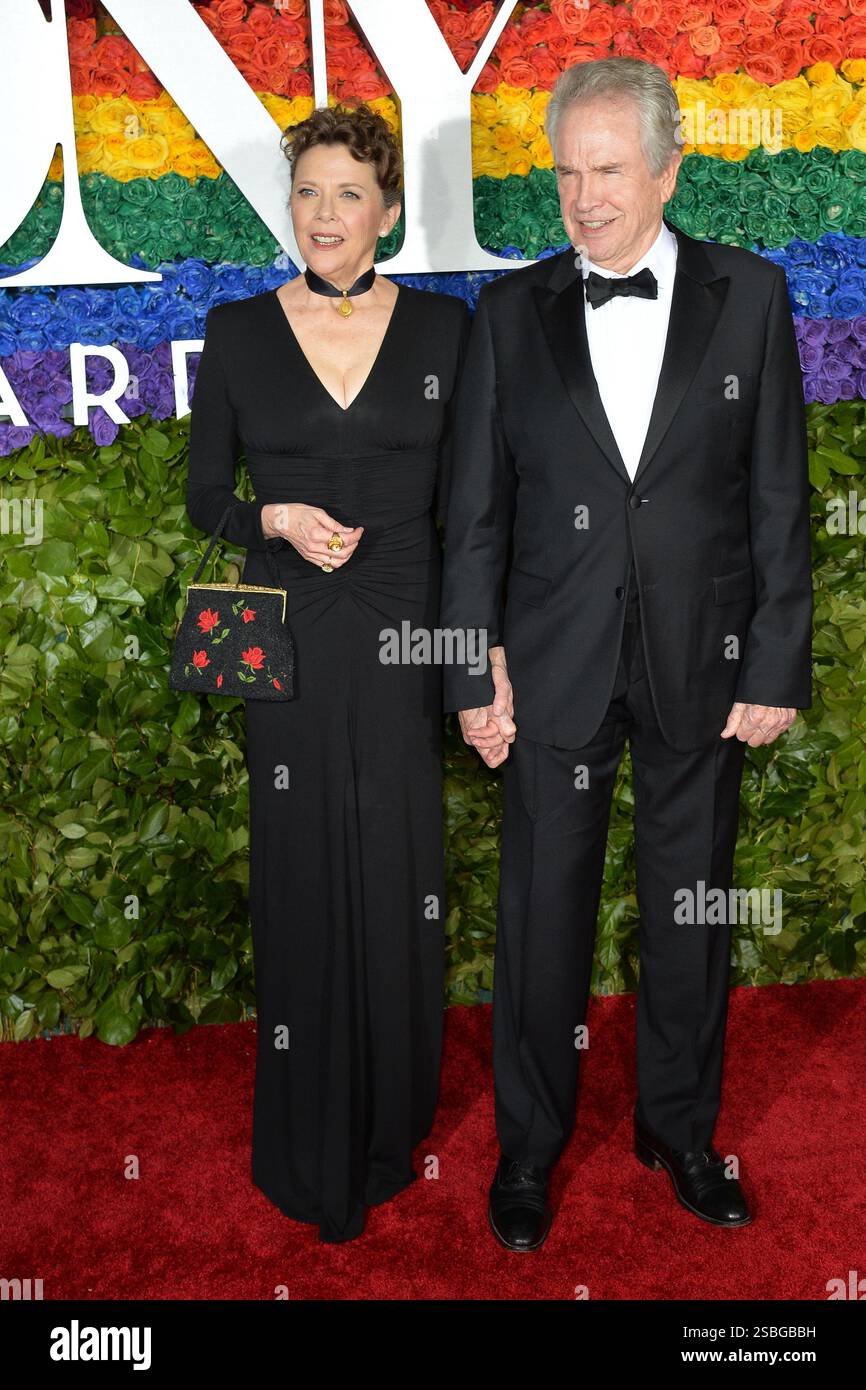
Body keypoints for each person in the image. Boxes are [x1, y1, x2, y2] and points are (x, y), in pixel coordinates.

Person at [439, 56, 812, 1251]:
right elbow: (473, 518)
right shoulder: (508, 314)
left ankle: (681, 1132)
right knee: (541, 918)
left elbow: (776, 500)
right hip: (548, 666)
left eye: (606, 169)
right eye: (564, 172)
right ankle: (528, 1152)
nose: (582, 196)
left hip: (699, 666)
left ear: (665, 168)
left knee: (688, 910)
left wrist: (772, 663)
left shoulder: (749, 296)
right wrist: (465, 666)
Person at [186, 102, 470, 1243]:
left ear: (389, 211)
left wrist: (472, 648)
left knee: (401, 866)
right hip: (291, 641)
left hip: (405, 635)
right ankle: (307, 1126)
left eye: (349, 192)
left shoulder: (451, 332)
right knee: (302, 868)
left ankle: (389, 1119)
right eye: (308, 191)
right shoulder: (240, 329)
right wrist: (275, 515)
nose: (325, 214)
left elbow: (475, 508)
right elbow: (208, 498)